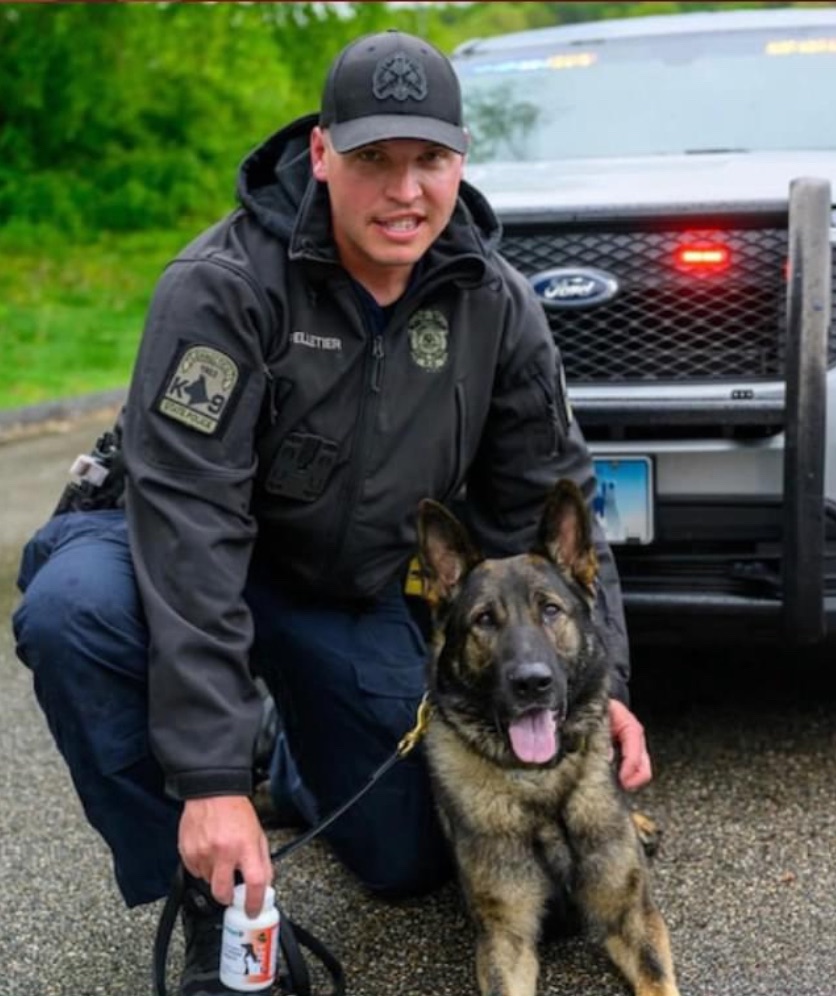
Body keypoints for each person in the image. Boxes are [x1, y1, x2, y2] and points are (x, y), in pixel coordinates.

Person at [12, 29, 652, 996]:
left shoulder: (498, 303)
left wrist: (603, 686)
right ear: (320, 154)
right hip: (162, 560)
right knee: (73, 615)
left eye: (429, 160)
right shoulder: (222, 289)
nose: (405, 191)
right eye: (373, 160)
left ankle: (288, 752)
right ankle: (222, 916)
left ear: (460, 160)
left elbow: (547, 509)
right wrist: (209, 782)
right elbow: (190, 536)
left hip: (332, 587)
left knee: (410, 860)